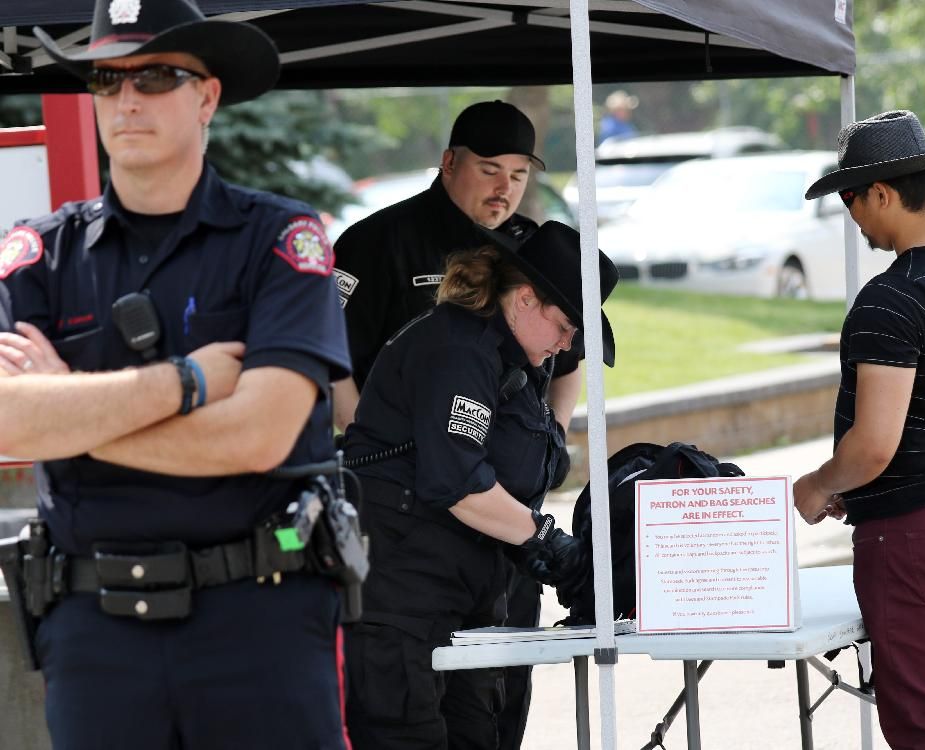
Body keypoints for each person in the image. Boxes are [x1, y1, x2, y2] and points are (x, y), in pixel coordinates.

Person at [0, 1, 353, 748]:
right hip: (95, 631)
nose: (127, 100)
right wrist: (184, 385)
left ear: (207, 96)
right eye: (107, 79)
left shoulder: (280, 241)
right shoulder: (41, 254)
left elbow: (260, 435)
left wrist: (68, 410)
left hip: (259, 622)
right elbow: (7, 422)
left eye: (157, 76)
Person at [332, 98, 581, 748]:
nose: (506, 188)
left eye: (520, 175)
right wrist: (396, 450)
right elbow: (328, 357)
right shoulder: (377, 242)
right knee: (411, 716)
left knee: (495, 712)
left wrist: (547, 447)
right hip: (414, 525)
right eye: (491, 169)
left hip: (497, 532)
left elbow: (569, 363)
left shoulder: (537, 256)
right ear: (449, 163)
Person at [341, 220, 617, 750]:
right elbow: (459, 482)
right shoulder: (458, 349)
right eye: (565, 326)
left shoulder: (518, 355)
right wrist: (545, 539)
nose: (568, 343)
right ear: (526, 299)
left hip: (469, 597)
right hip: (403, 602)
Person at [793, 110, 925, 750]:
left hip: (913, 532)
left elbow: (874, 445)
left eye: (851, 199)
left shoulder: (893, 298)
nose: (853, 218)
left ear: (882, 192)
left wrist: (816, 485)